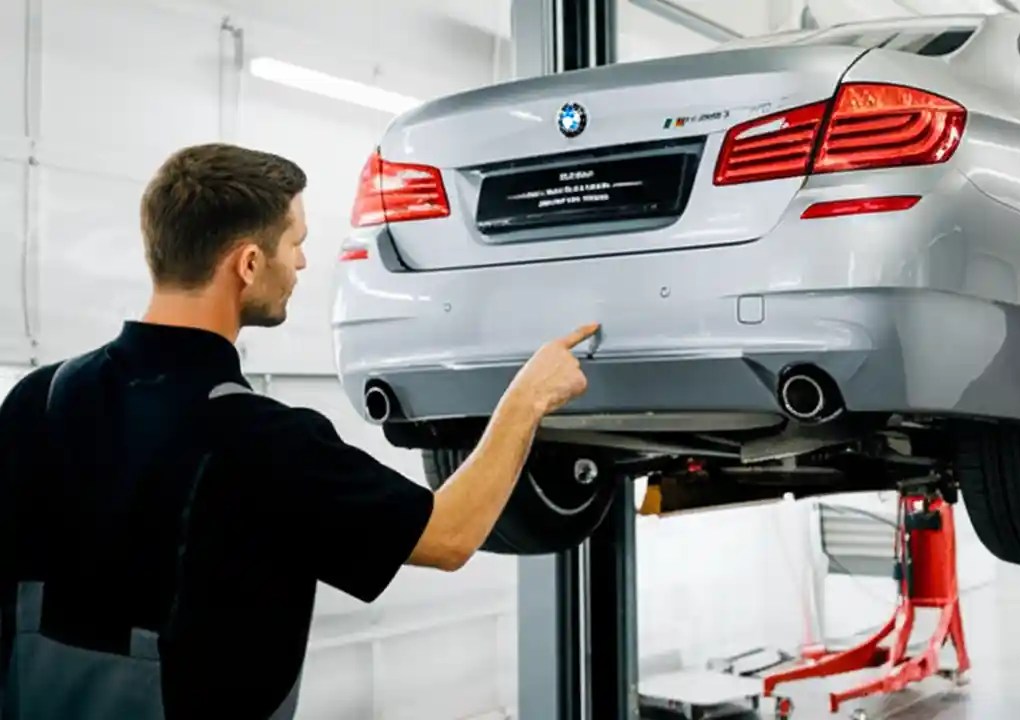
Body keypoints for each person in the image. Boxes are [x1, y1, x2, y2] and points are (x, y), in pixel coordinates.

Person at [0, 142, 599, 719]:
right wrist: (527, 398)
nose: (303, 263)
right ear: (249, 262)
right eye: (297, 242)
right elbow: (448, 537)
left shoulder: (39, 398)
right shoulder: (262, 439)